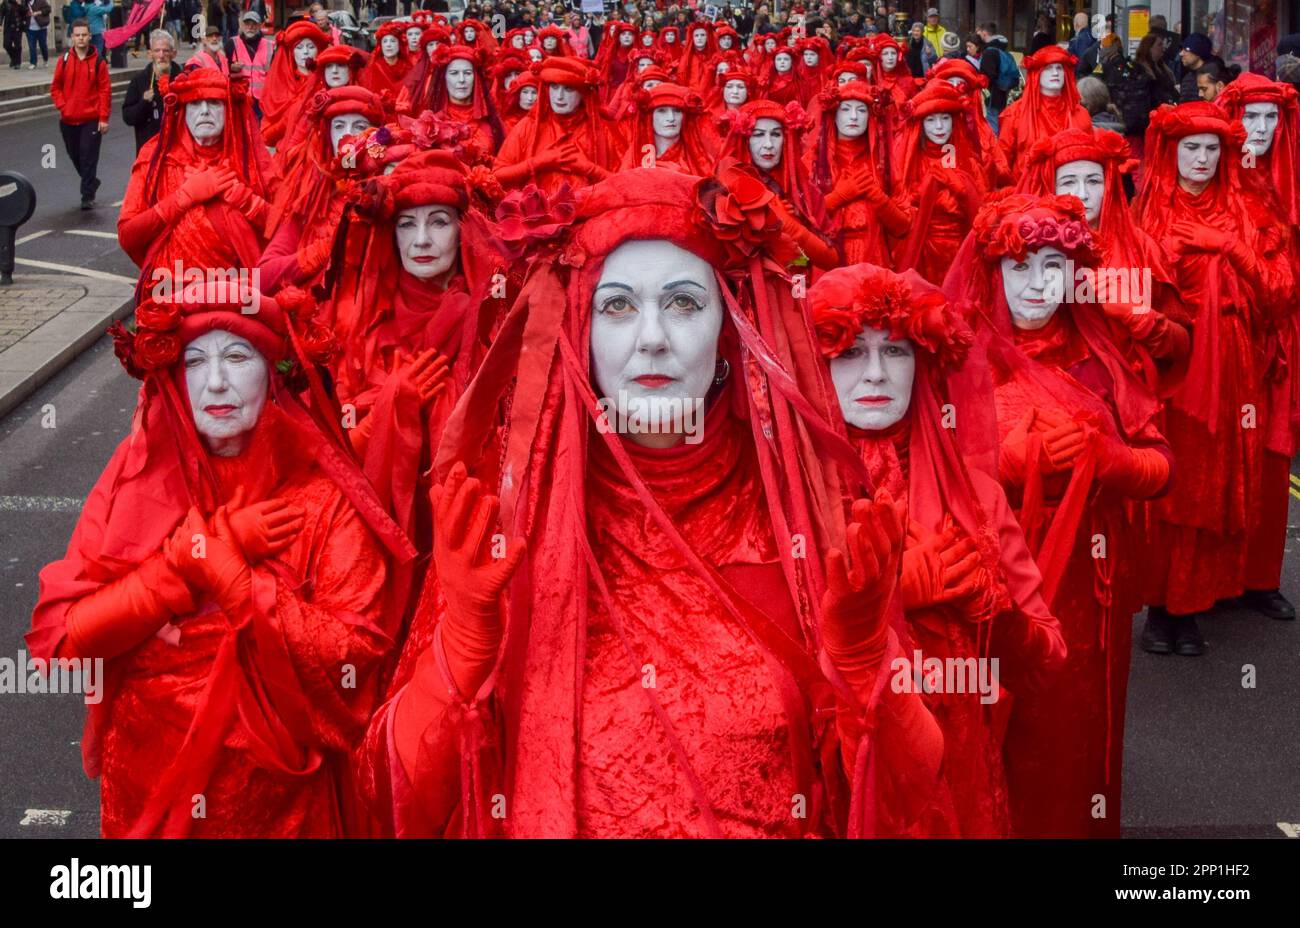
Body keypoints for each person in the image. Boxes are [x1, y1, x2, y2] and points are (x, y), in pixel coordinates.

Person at [353, 166, 948, 839]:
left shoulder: (803, 518)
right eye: (618, 307)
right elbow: (391, 797)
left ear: (730, 332)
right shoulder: (512, 522)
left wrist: (867, 668)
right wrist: (458, 656)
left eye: (685, 303)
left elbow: (908, 796)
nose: (653, 338)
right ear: (578, 327)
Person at [28, 280, 412, 837]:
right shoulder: (134, 482)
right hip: (149, 781)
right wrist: (180, 567)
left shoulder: (324, 497)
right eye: (193, 361)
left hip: (285, 809)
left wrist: (239, 588)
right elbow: (64, 646)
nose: (215, 383)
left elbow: (357, 657)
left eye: (237, 356)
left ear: (276, 373)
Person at [945, 191, 1173, 837]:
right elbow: (910, 471)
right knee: (986, 731)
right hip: (986, 582)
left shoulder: (1104, 358)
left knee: (1071, 731)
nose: (1037, 284)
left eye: (1053, 265)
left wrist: (1112, 461)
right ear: (992, 273)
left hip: (1085, 585)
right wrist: (998, 468)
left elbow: (1162, 466)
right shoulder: (957, 359)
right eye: (1020, 267)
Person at [810, 263, 1066, 837]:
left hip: (962, 781)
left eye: (896, 352)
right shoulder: (783, 495)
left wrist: (995, 614)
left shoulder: (977, 499)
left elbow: (1047, 662)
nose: (874, 374)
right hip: (834, 788)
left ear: (923, 364)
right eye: (849, 354)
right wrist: (880, 604)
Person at [1134, 104, 1294, 654]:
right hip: (1175, 364)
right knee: (1175, 483)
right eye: (1191, 148)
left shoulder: (1245, 208)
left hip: (1236, 362)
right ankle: (1163, 607)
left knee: (1220, 480)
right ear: (1171, 151)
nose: (1202, 159)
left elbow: (1280, 296)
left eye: (1211, 149)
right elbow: (1132, 294)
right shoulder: (1150, 212)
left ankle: (1196, 601)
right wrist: (1171, 262)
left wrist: (1237, 253)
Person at [1218, 75, 1300, 622]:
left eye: (1272, 118)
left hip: (1283, 332)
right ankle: (1213, 580)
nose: (1262, 130)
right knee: (1221, 456)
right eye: (1252, 116)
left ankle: (1260, 577)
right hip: (1228, 333)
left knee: (1271, 458)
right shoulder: (1212, 171)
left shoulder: (1289, 179)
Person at [117, 69, 273, 294]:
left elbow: (284, 232)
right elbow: (128, 236)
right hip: (172, 293)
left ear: (228, 109)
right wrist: (183, 198)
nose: (205, 112)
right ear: (182, 111)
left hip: (240, 292)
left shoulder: (250, 160)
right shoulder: (156, 159)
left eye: (214, 103)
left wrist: (245, 200)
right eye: (195, 104)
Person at [891, 81, 988, 284]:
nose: (939, 127)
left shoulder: (966, 160)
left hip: (960, 251)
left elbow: (982, 212)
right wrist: (922, 193)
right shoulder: (908, 161)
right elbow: (899, 207)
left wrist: (963, 189)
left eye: (945, 118)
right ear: (921, 124)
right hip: (920, 250)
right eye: (931, 120)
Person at [997, 45, 1091, 176]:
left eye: (1059, 68)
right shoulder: (1014, 114)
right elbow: (1003, 161)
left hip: (1070, 189)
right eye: (1048, 68)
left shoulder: (1081, 113)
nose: (1055, 73)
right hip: (1027, 191)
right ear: (1037, 74)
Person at [51, 20, 110, 210]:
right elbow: (55, 87)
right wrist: (63, 107)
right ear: (72, 37)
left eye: (84, 34)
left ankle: (87, 195)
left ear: (89, 36)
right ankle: (91, 181)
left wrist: (103, 118)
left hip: (90, 119)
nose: (81, 38)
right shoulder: (64, 60)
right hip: (68, 119)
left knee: (88, 157)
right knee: (74, 155)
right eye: (77, 35)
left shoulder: (99, 61)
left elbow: (104, 91)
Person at [122, 29, 181, 152]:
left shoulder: (183, 79)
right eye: (157, 51)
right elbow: (128, 117)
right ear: (150, 54)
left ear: (173, 53)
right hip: (149, 150)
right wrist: (143, 102)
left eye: (165, 51)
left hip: (178, 148)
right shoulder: (139, 81)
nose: (161, 55)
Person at [226, 11, 273, 116]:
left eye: (254, 24)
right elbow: (222, 67)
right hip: (240, 97)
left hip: (262, 99)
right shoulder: (232, 43)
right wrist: (231, 67)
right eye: (247, 24)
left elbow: (275, 73)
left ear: (260, 25)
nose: (250, 27)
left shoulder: (269, 45)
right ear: (242, 25)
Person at [1177, 32, 1213, 102]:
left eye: (1186, 50)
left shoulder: (1210, 77)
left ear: (1198, 52)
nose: (1181, 54)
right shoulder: (1187, 78)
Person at [2, 0, 25, 70]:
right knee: (6, 44)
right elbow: (1, 13)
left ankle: (17, 63)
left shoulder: (21, 1)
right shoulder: (5, 2)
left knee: (18, 45)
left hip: (18, 27)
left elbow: (25, 12)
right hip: (8, 27)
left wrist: (20, 5)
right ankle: (14, 59)